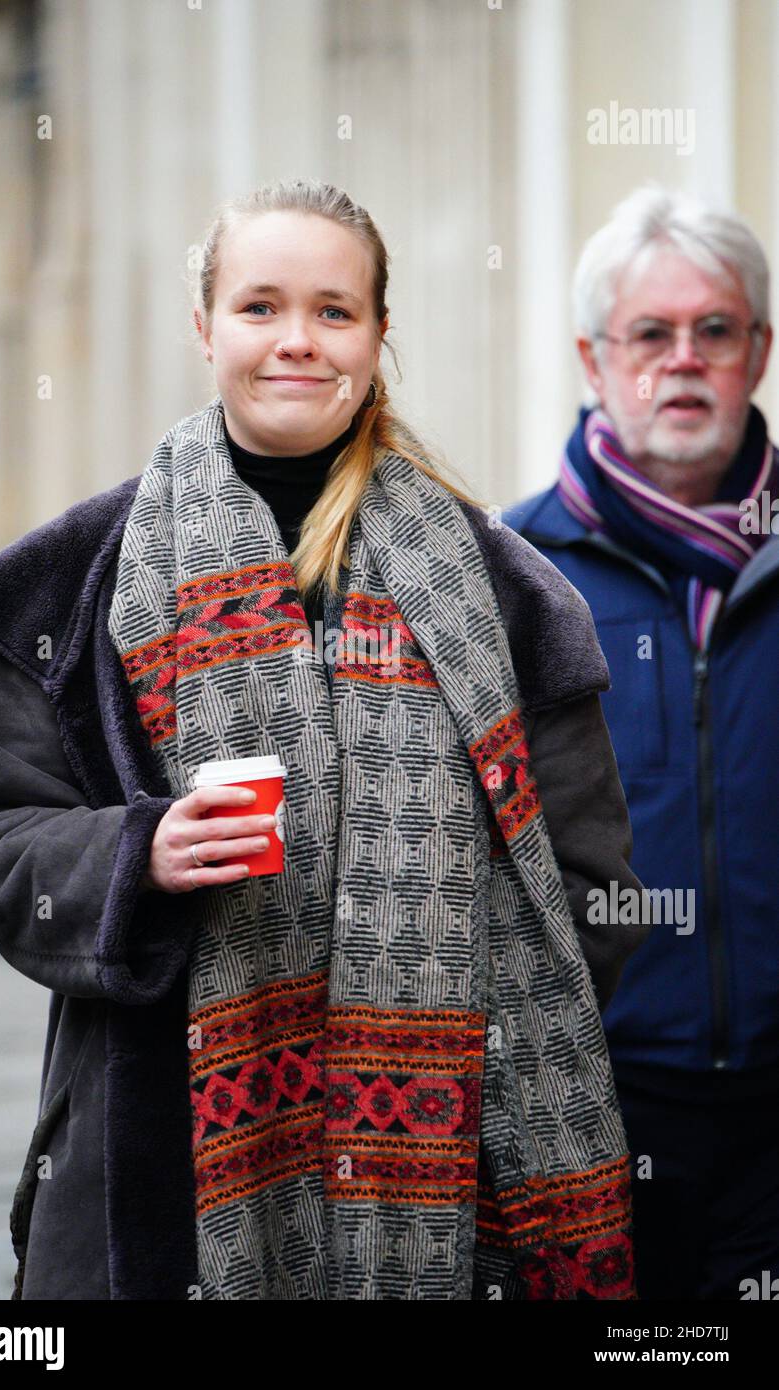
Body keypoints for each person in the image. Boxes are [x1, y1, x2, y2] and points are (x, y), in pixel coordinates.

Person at [0, 178, 647, 1302]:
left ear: (376, 336)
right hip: (153, 1160)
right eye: (260, 307)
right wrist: (141, 857)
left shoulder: (504, 592)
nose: (296, 343)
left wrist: (431, 1014)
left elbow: (590, 884)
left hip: (442, 1176)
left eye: (333, 310)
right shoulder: (69, 581)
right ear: (204, 325)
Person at [504, 185, 779, 1301]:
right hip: (591, 1093)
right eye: (648, 334)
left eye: (712, 330)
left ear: (756, 351)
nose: (681, 362)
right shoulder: (512, 568)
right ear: (592, 358)